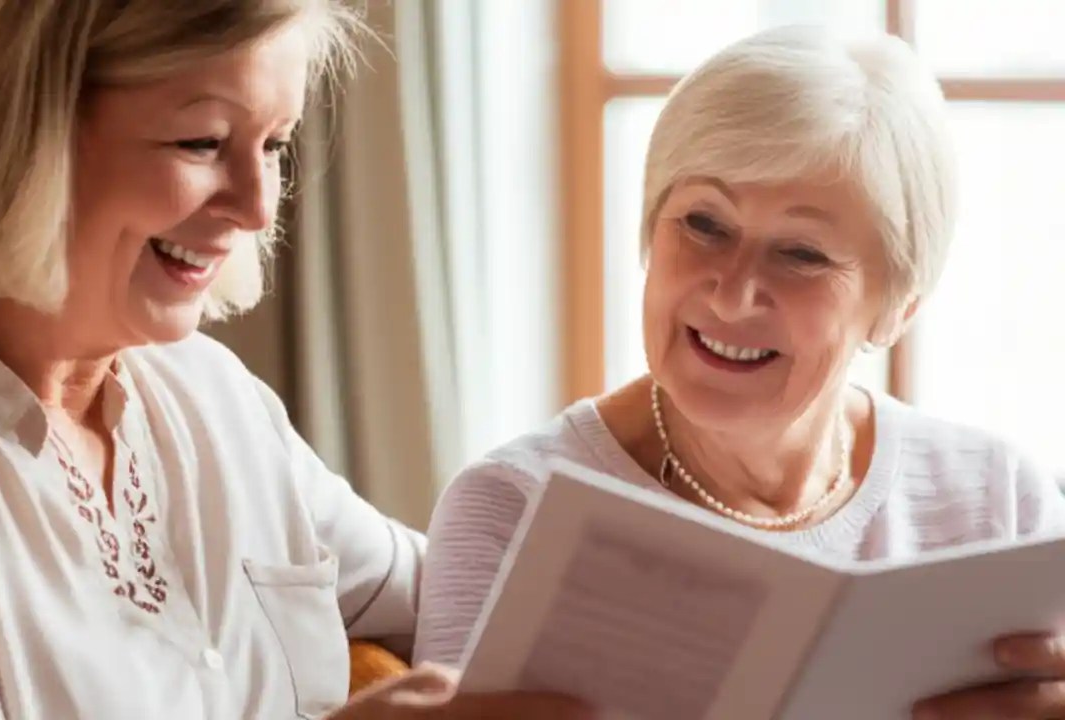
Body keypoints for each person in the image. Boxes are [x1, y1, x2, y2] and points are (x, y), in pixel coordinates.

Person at [0, 1, 589, 718]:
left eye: (274, 144)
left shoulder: (209, 392)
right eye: (202, 141)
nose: (258, 205)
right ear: (22, 140)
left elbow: (455, 598)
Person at [415, 25, 1065, 719]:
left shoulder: (999, 501)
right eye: (703, 223)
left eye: (802, 254)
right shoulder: (511, 508)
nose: (731, 293)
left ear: (897, 311)